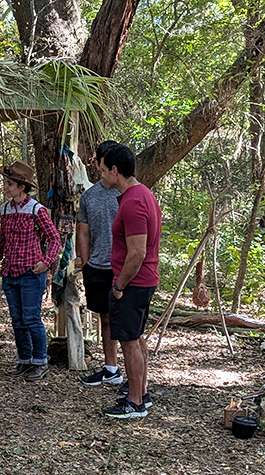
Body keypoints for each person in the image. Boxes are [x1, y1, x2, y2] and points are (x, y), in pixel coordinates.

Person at [99, 144, 161, 419]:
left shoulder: (134, 201)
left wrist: (119, 286)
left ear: (115, 170)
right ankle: (141, 393)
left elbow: (137, 252)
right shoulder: (141, 194)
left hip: (134, 283)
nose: (100, 176)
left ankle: (134, 401)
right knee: (136, 339)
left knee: (129, 342)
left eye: (102, 170)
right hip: (142, 280)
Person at [0, 161, 61, 382]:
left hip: (31, 273)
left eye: (10, 184)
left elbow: (54, 238)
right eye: (6, 182)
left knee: (31, 318)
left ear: (22, 187)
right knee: (17, 320)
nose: (6, 187)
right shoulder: (5, 209)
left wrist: (46, 262)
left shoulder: (36, 209)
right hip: (10, 273)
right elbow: (3, 237)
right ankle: (24, 359)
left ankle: (40, 362)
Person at [76, 141, 122, 387]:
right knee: (105, 317)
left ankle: (137, 377)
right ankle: (111, 367)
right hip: (98, 267)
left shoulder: (127, 193)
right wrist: (86, 264)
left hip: (123, 268)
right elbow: (83, 232)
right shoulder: (89, 196)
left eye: (100, 161)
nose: (97, 166)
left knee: (125, 320)